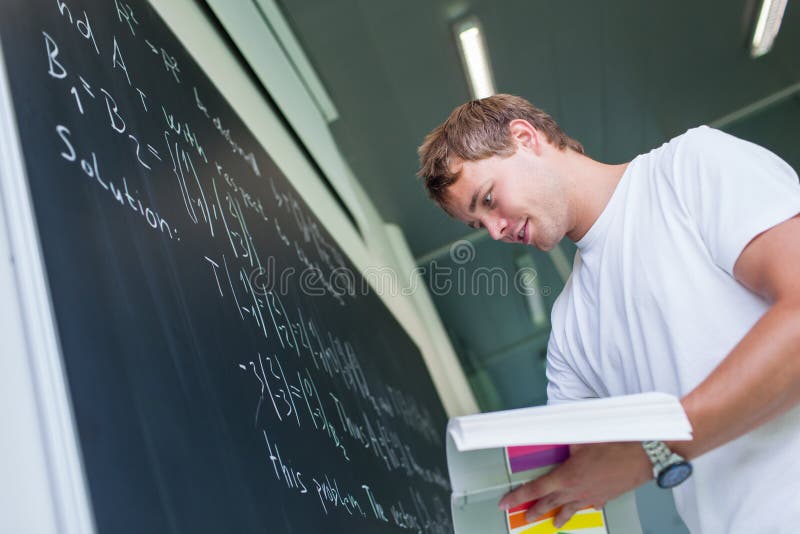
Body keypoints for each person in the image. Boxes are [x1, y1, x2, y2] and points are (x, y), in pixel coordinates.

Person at [417, 94, 800, 533]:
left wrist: (652, 450)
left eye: (488, 199)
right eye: (476, 224)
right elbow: (570, 487)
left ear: (525, 138)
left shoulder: (689, 169)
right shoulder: (568, 332)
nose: (495, 230)